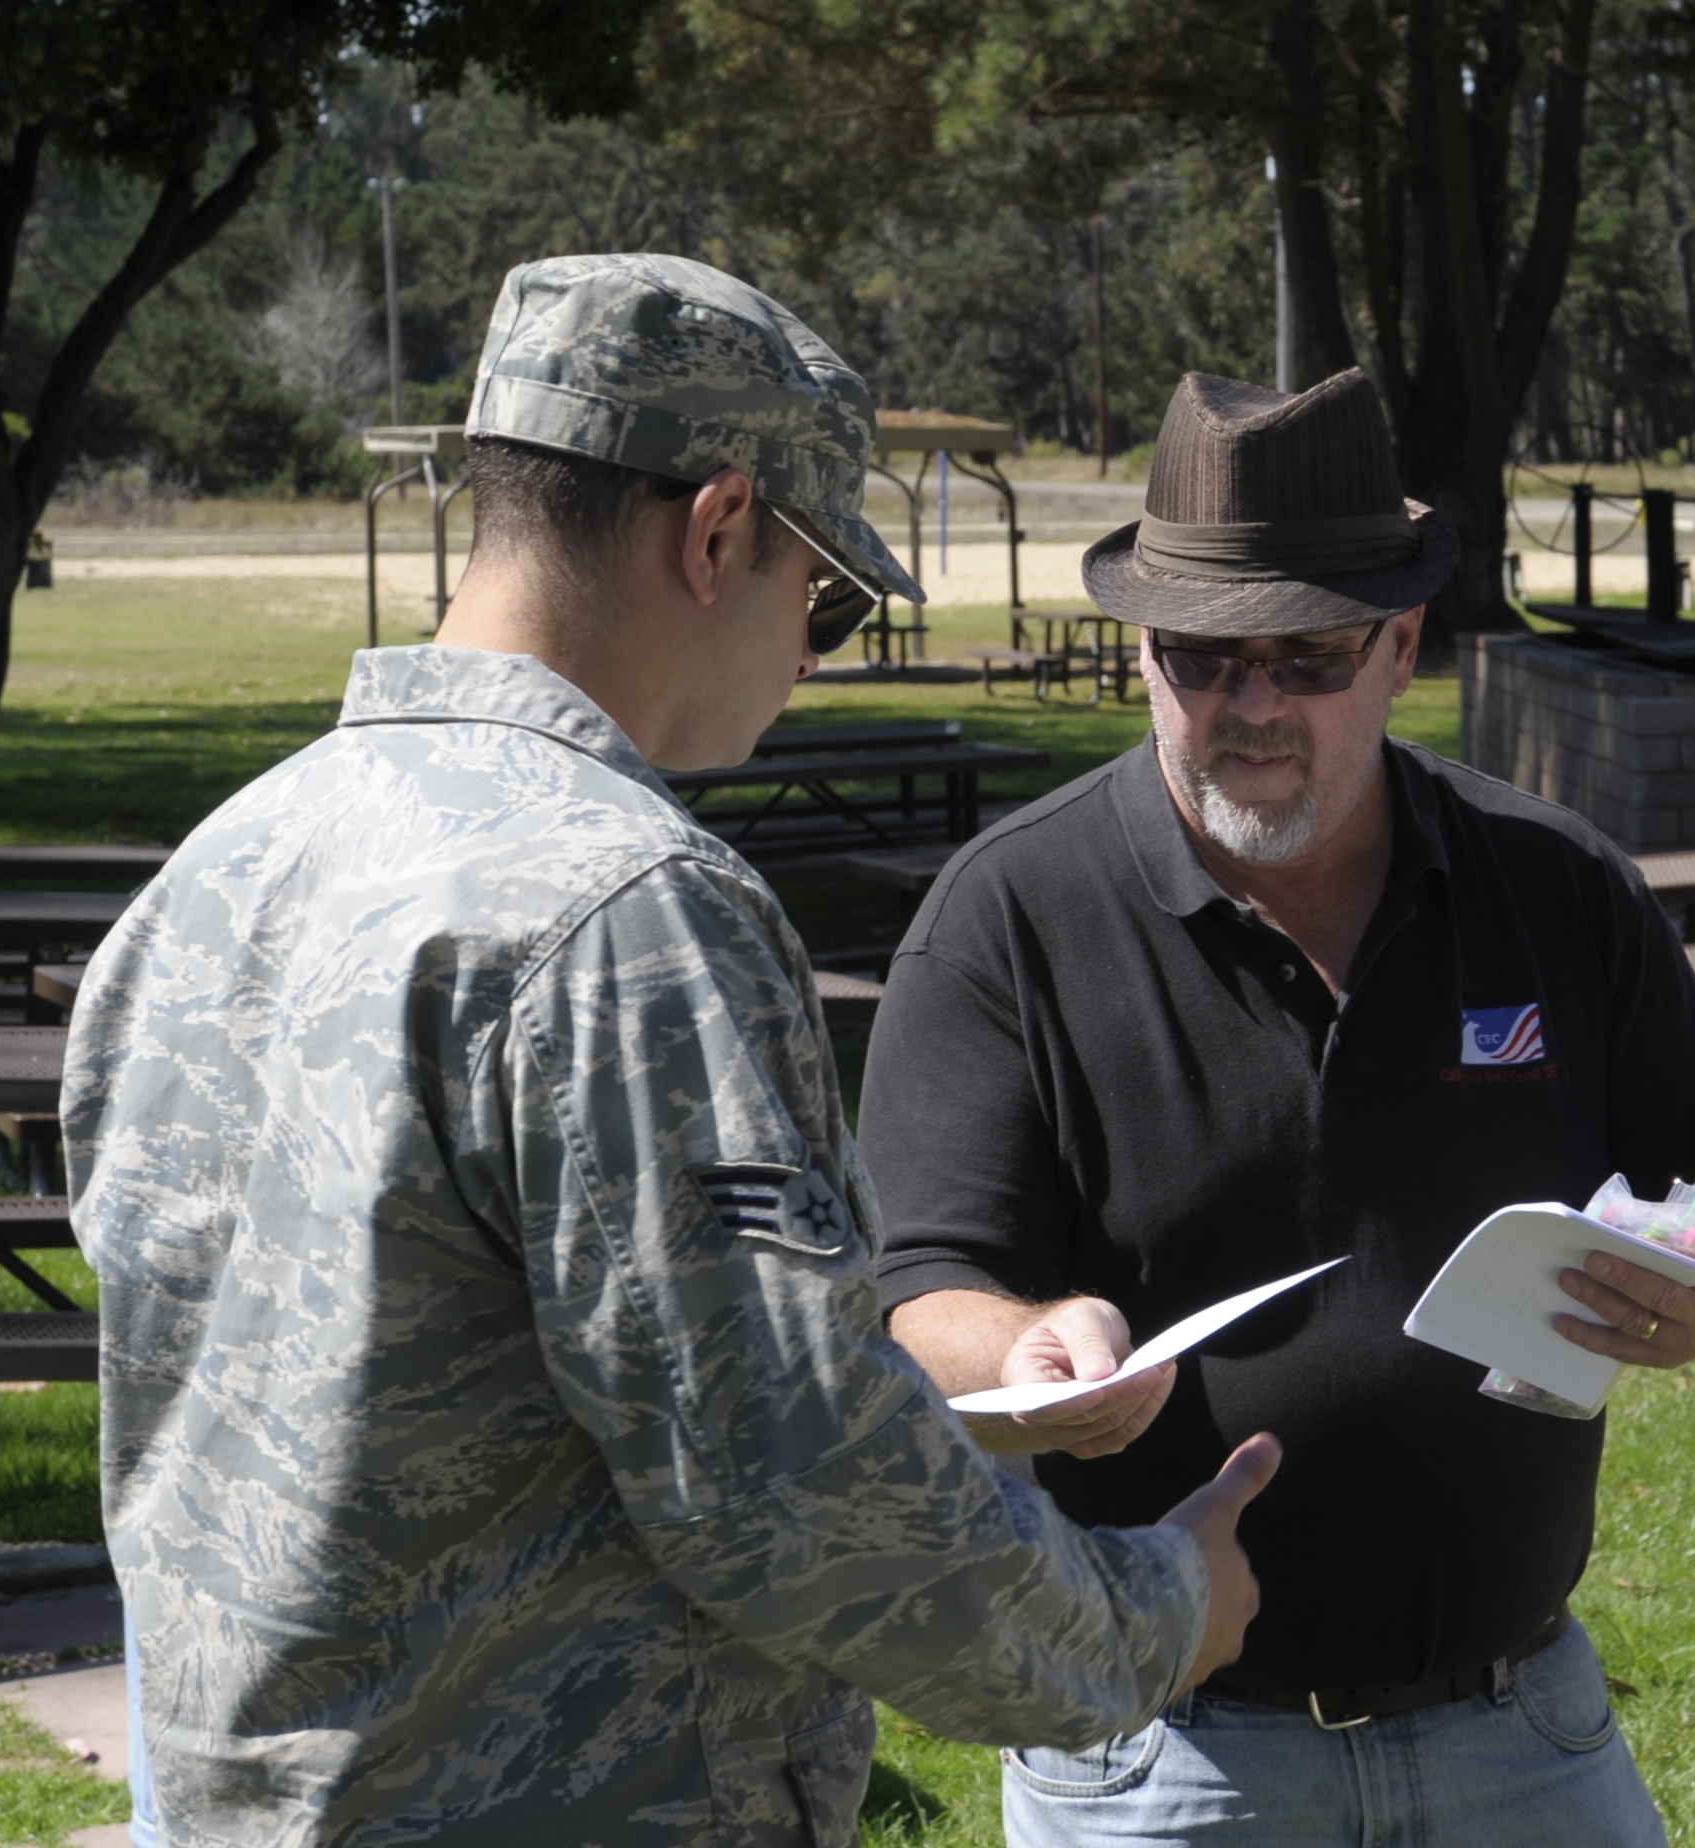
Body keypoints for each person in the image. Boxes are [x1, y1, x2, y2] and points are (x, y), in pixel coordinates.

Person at [61, 255, 1279, 1847]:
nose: (816, 653)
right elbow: (795, 1491)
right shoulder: (630, 905)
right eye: (825, 594)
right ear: (715, 531)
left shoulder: (220, 867)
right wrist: (1157, 1611)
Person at [859, 367, 1695, 1846]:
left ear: (1401, 647)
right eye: (1200, 657)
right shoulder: (1009, 917)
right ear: (1141, 654)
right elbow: (909, 1292)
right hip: (1158, 1752)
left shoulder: (1553, 886)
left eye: (1304, 659)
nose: (1249, 708)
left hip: (1522, 1729)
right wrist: (1029, 1348)